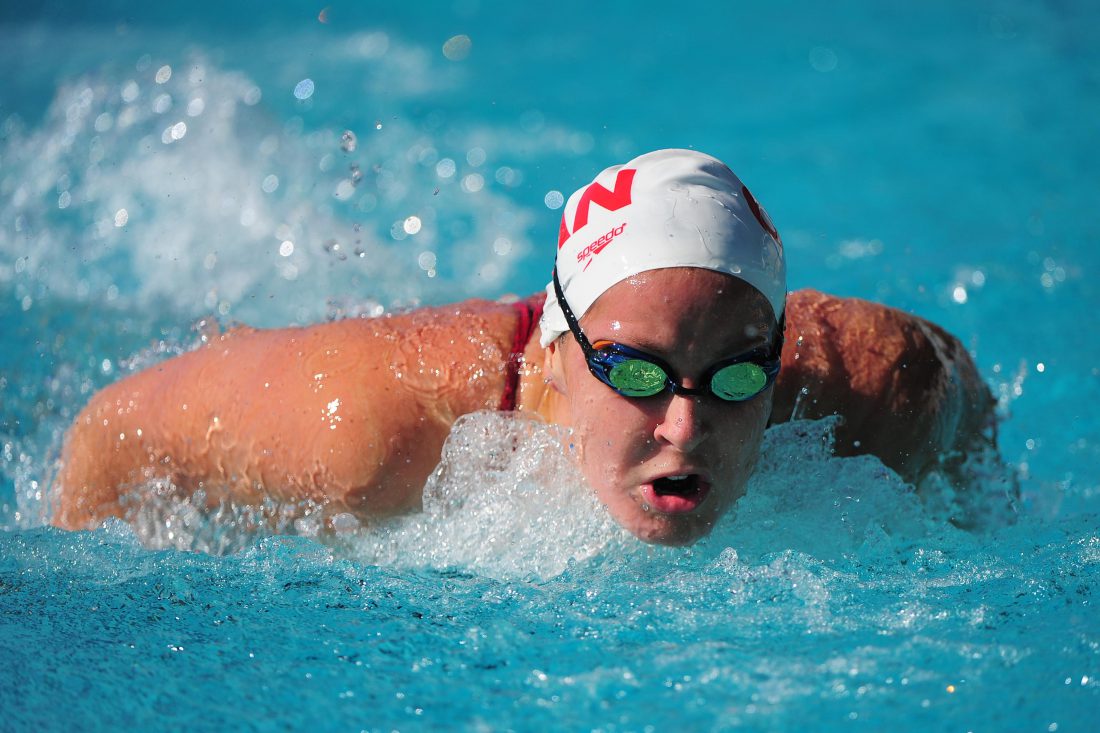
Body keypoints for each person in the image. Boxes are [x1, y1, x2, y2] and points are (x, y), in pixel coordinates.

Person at [50, 149, 997, 545]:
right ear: (556, 350)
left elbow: (971, 427)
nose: (687, 421)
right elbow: (110, 434)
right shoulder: (369, 432)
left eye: (737, 374)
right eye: (632, 369)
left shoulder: (875, 391)